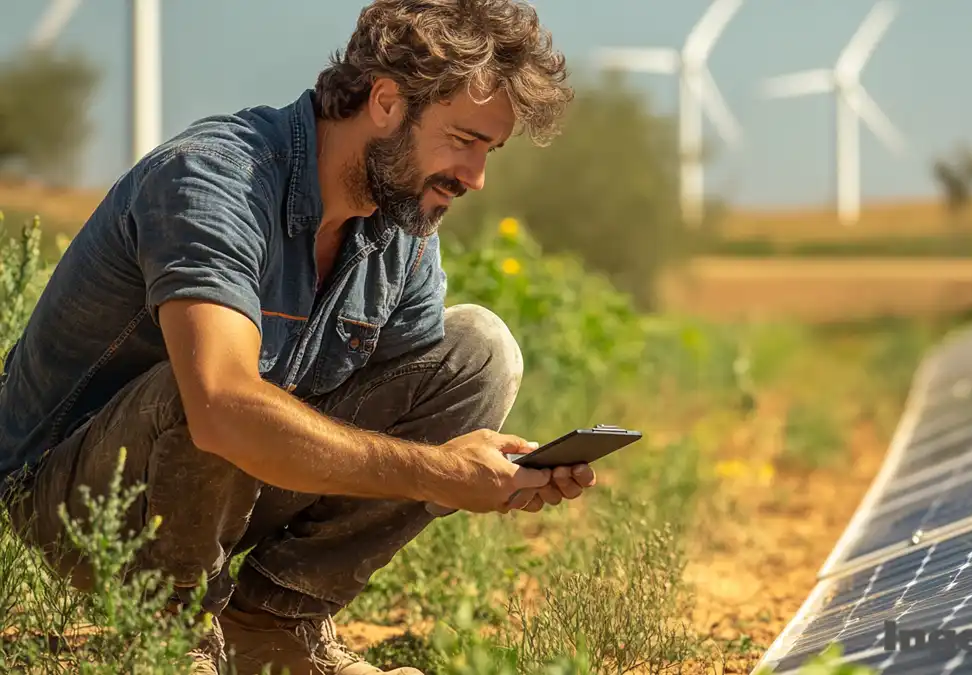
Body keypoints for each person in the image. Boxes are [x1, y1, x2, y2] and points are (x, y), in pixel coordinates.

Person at [0, 0, 583, 672]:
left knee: (480, 353)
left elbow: (407, 412)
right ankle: (170, 633)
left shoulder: (401, 222)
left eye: (490, 150)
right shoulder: (218, 179)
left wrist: (482, 466)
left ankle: (275, 624)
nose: (476, 178)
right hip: (76, 501)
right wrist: (438, 472)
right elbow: (221, 409)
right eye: (464, 140)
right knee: (216, 389)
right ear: (387, 103)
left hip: (231, 482)